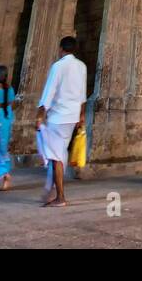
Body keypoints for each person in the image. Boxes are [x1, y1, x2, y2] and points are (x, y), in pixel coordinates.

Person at [36, 36, 87, 207]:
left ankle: (60, 197)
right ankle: (51, 190)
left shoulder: (58, 66)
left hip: (58, 118)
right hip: (72, 117)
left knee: (56, 157)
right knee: (59, 154)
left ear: (61, 49)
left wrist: (40, 115)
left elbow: (49, 93)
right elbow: (82, 95)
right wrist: (81, 116)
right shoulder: (81, 66)